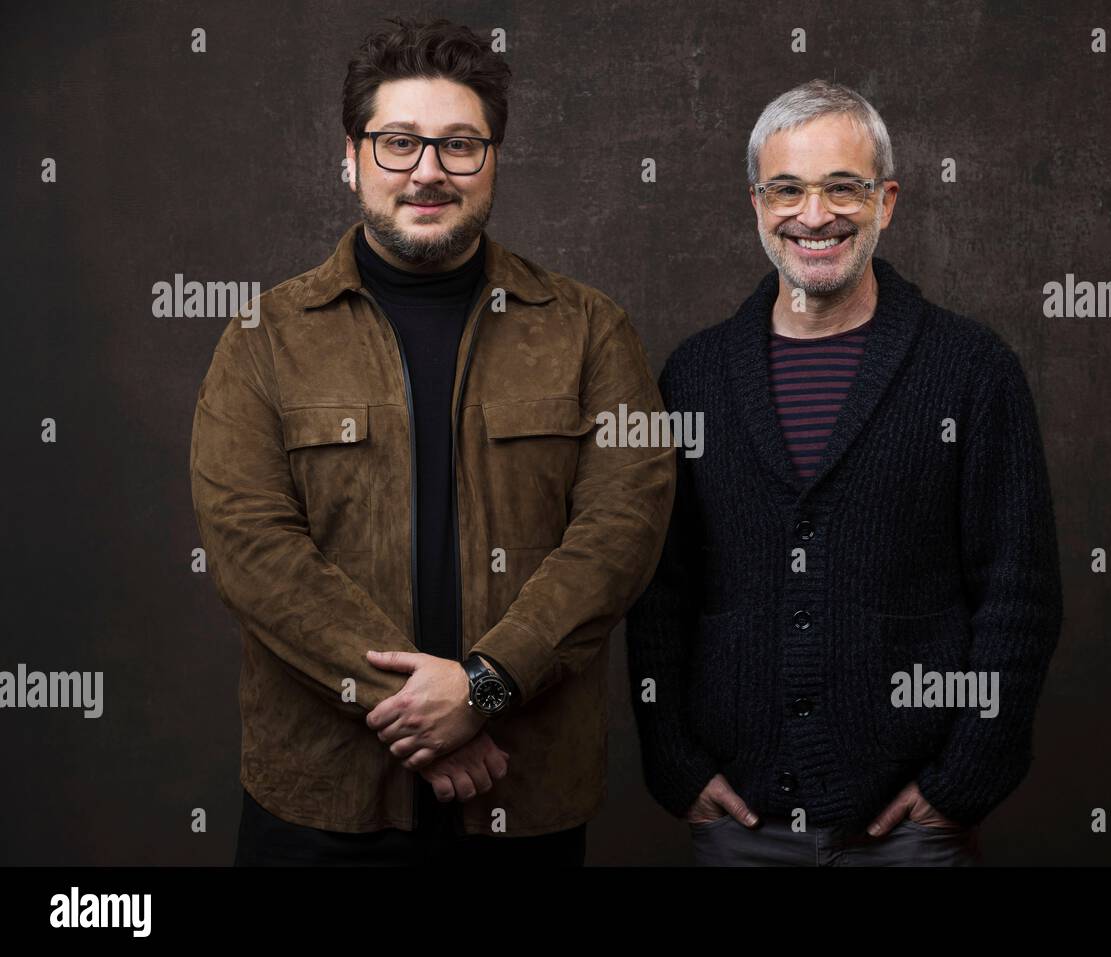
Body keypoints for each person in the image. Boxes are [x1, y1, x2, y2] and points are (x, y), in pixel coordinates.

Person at [190, 16, 674, 866]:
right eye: (399, 143)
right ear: (351, 155)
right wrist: (430, 716)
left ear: (494, 160)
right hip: (319, 803)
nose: (428, 171)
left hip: (520, 799)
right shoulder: (261, 336)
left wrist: (485, 685)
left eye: (460, 145)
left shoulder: (591, 330)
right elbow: (254, 555)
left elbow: (619, 535)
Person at [626, 79, 1064, 866]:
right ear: (756, 202)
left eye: (843, 188)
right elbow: (660, 589)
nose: (815, 215)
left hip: (911, 830)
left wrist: (962, 781)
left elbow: (1019, 595)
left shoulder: (971, 370)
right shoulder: (694, 376)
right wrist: (674, 761)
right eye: (787, 189)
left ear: (887, 201)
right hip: (739, 823)